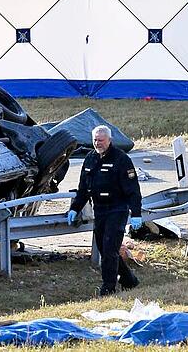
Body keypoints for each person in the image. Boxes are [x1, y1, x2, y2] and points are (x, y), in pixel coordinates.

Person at [67, 125, 143, 296]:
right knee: (104, 248)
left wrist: (136, 214)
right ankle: (129, 280)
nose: (97, 143)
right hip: (100, 209)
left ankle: (108, 288)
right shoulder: (90, 158)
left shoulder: (121, 159)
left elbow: (133, 190)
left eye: (101, 140)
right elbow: (83, 188)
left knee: (109, 249)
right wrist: (75, 208)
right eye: (95, 140)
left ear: (109, 140)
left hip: (117, 209)